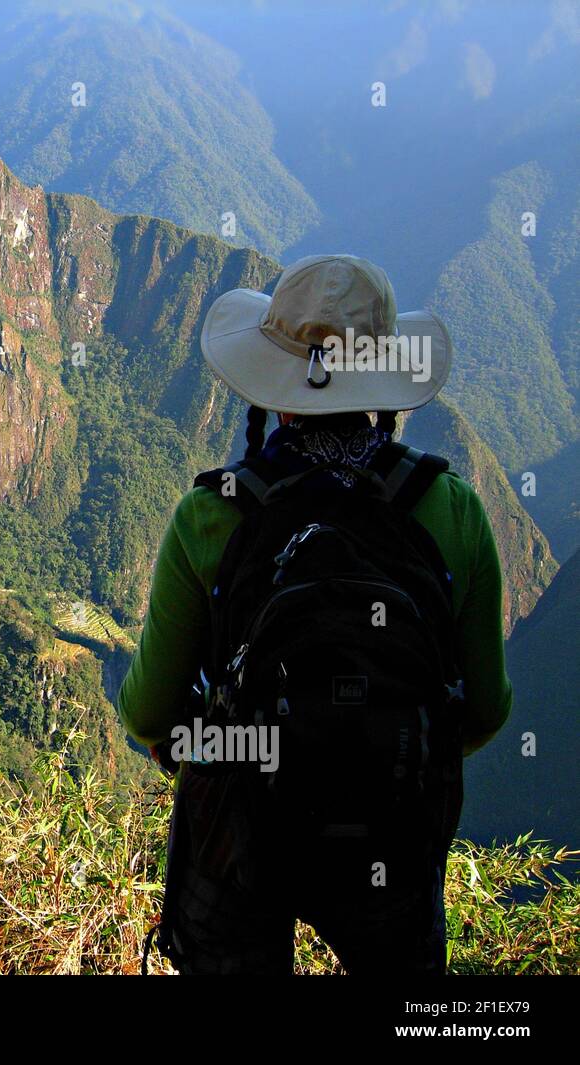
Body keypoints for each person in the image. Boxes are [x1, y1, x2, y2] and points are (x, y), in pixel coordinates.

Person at [118, 254, 512, 975]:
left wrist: (227, 756)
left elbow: (151, 715)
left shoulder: (210, 517)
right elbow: (482, 712)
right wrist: (375, 753)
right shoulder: (453, 512)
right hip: (393, 834)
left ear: (272, 388)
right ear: (385, 381)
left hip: (245, 834)